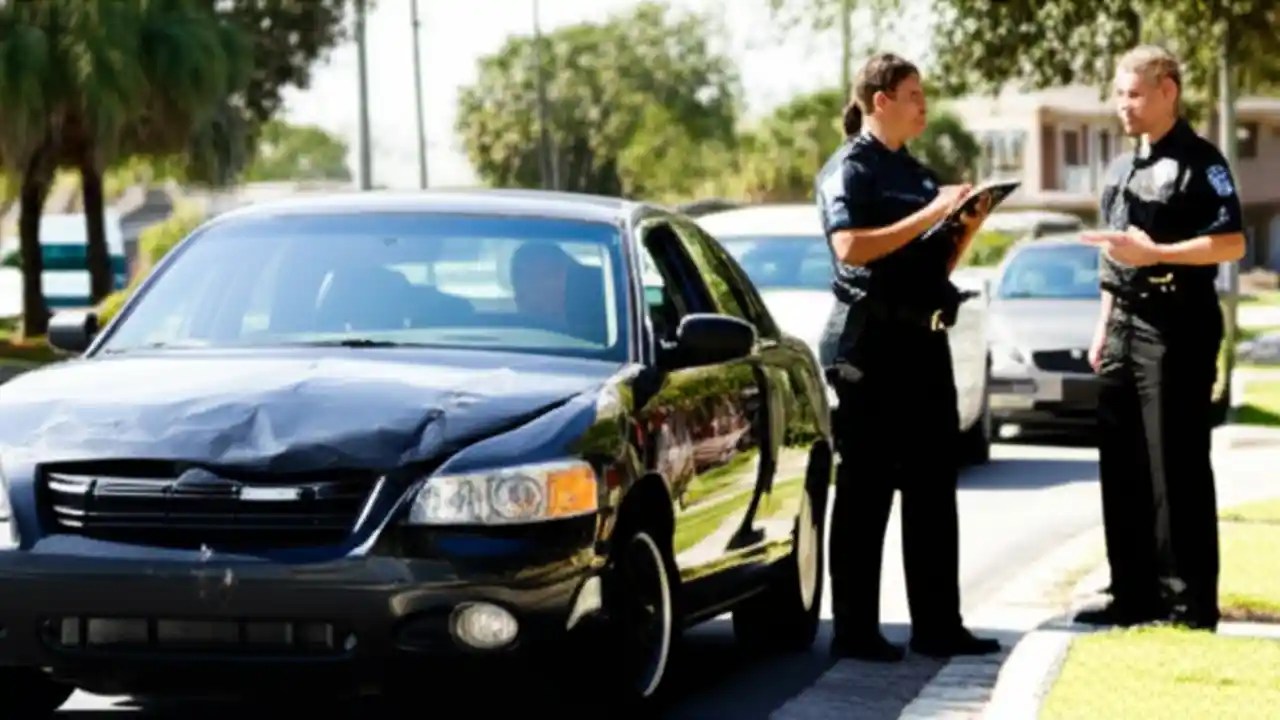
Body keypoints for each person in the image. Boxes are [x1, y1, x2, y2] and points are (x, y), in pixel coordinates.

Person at [814, 51, 1001, 661]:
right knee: (867, 491)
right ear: (881, 100)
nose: (924, 103)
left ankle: (938, 627)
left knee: (932, 491)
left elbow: (933, 261)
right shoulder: (851, 169)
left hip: (925, 341)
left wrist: (965, 222)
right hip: (870, 347)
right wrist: (933, 212)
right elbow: (850, 248)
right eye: (913, 94)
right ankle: (856, 631)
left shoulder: (918, 174)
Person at [1077, 45, 1247, 631]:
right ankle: (1131, 593)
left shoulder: (1203, 163)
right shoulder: (1122, 168)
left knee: (1174, 466)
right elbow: (1114, 259)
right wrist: (1102, 328)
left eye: (1134, 94)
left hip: (1178, 324)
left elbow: (1231, 244)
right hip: (1123, 323)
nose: (1123, 105)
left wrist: (1158, 254)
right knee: (1120, 463)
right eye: (1119, 93)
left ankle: (1188, 604)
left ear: (1168, 91)